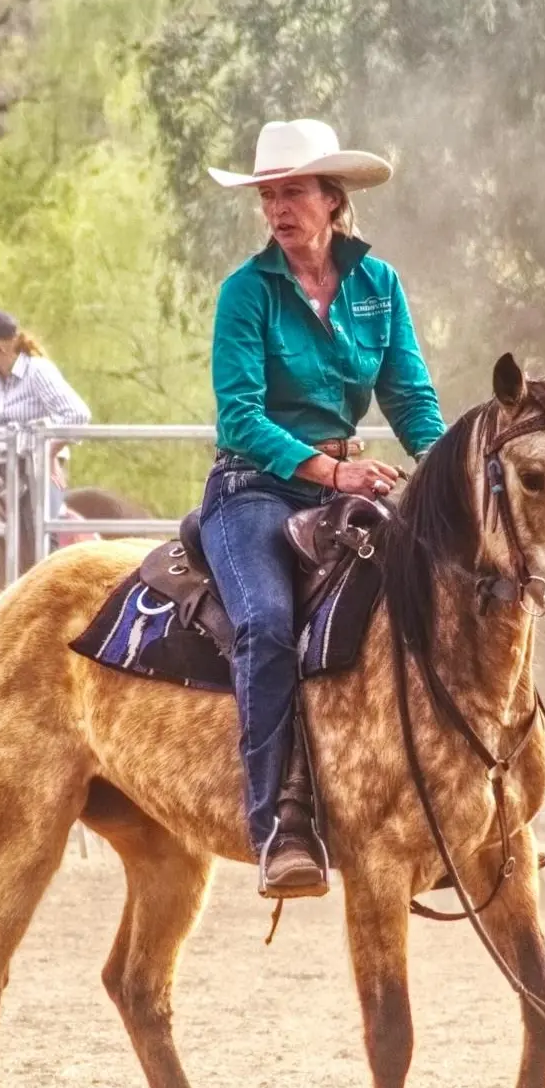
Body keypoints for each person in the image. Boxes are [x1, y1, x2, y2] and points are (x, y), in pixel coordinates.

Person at [202, 117, 446, 897]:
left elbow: (407, 394)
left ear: (331, 199)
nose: (278, 207)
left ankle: (449, 805)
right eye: (269, 195)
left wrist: (442, 476)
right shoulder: (246, 293)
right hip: (253, 488)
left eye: (293, 192)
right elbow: (239, 416)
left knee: (434, 597)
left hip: (343, 487)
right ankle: (277, 823)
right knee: (267, 625)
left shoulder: (378, 286)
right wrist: (330, 472)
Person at [0, 307, 92, 526]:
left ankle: (52, 554)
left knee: (42, 522)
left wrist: (48, 451)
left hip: (37, 464)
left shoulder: (37, 371)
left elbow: (77, 414)